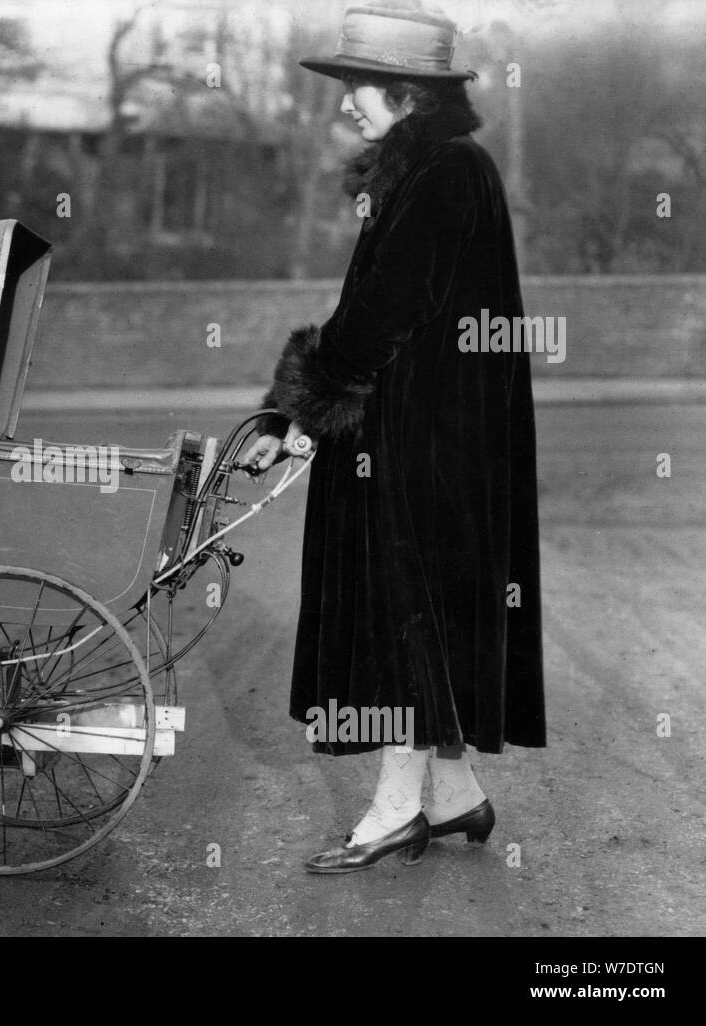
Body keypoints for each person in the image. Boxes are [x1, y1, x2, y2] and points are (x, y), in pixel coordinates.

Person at [241, 0, 546, 873]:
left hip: (421, 445)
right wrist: (294, 409)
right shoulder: (436, 170)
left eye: (358, 88)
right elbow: (374, 313)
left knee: (402, 613)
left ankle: (395, 810)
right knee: (428, 610)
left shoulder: (443, 174)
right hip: (427, 434)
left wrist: (298, 405)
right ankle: (453, 796)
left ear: (408, 94)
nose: (345, 104)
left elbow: (381, 313)